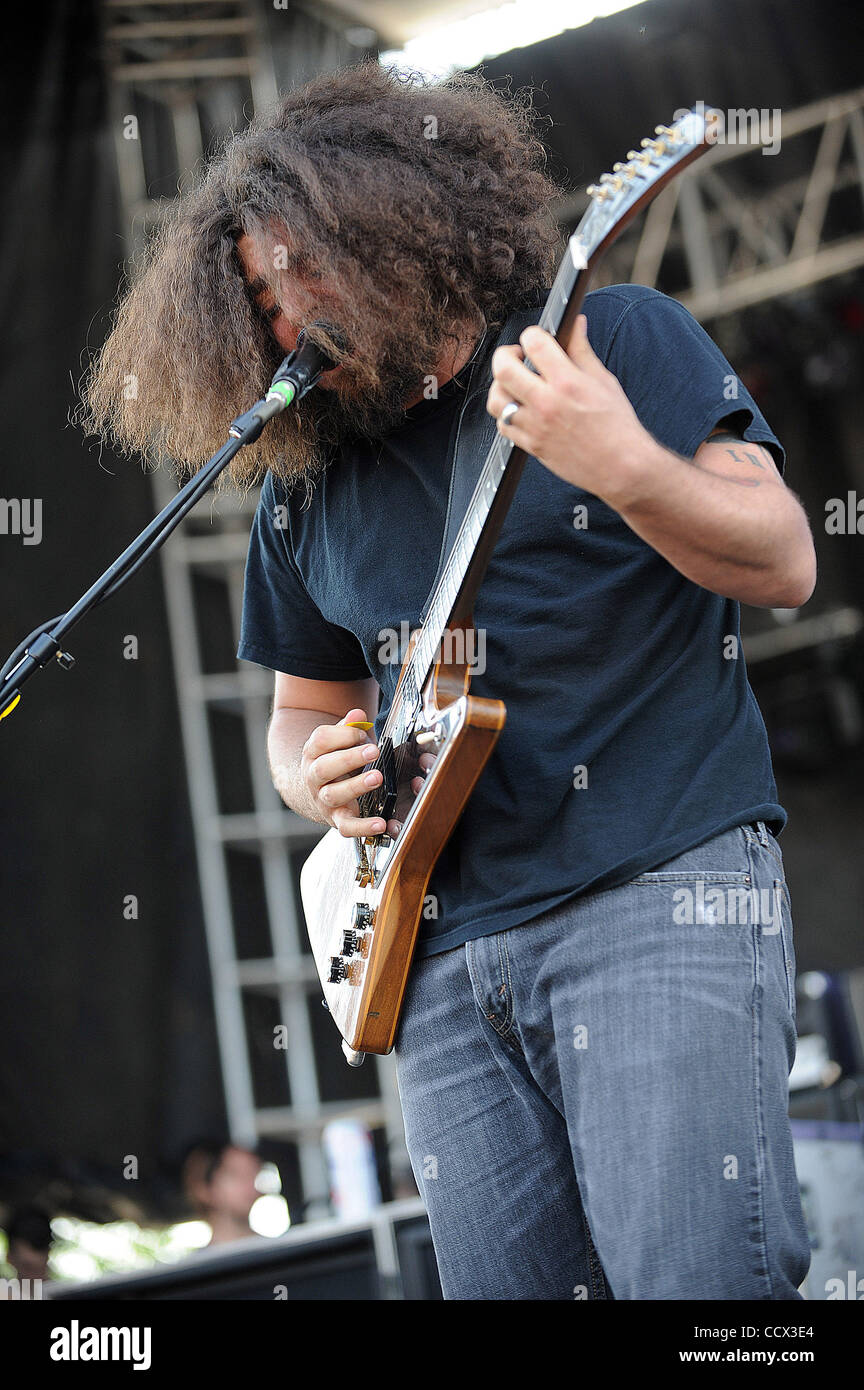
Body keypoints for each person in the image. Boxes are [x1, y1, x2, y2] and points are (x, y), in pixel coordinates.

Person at [84, 64, 816, 1299]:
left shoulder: (612, 340)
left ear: (390, 232)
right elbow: (298, 717)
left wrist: (619, 459)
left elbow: (784, 557)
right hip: (435, 960)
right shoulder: (305, 485)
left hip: (653, 895)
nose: (282, 323)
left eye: (299, 273)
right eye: (257, 300)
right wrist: (317, 780)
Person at [181, 1140, 263, 1246]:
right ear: (203, 1190)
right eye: (236, 1175)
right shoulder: (204, 1262)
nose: (251, 1186)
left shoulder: (278, 1252)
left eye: (253, 1175)